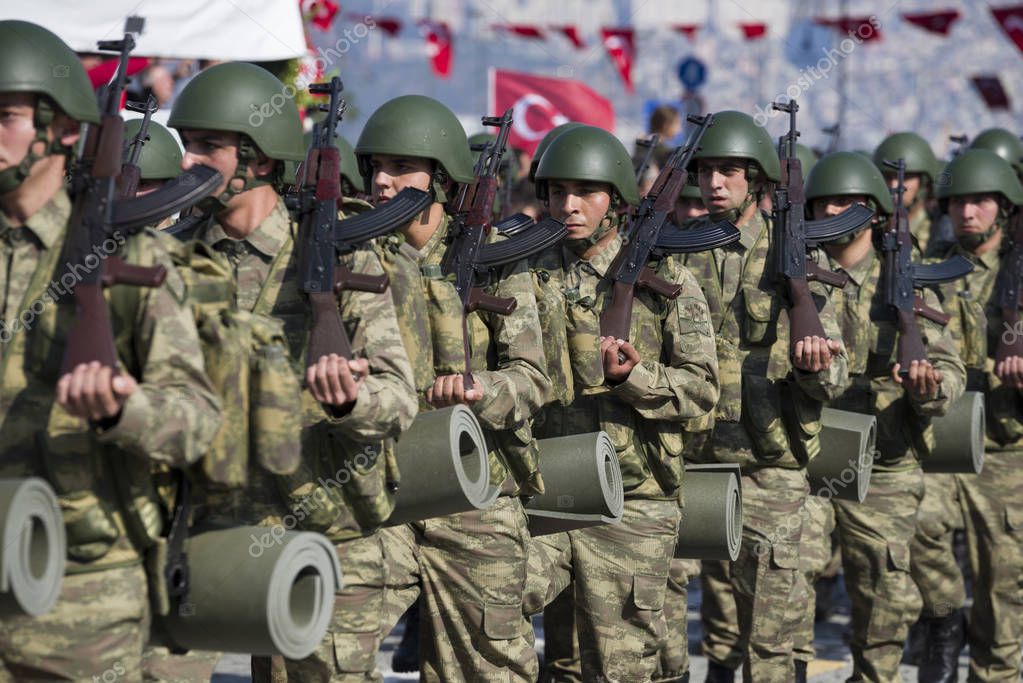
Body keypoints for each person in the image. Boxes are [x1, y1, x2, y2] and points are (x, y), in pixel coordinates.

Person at [166, 62, 418, 683]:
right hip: (204, 527)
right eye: (187, 143)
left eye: (208, 146)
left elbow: (398, 398)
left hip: (323, 529)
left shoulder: (336, 249)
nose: (189, 161)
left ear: (260, 159)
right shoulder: (171, 256)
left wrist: (346, 401)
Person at [0, 20, 221, 679]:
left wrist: (123, 409)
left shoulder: (135, 256)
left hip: (81, 593)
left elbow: (196, 417)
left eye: (4, 114)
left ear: (65, 130)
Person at [357, 94, 552, 681]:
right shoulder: (356, 253)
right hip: (377, 486)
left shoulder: (494, 259)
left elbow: (532, 380)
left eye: (400, 168)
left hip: (474, 491)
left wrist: (477, 388)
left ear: (439, 178)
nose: (383, 183)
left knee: (488, 666)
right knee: (322, 643)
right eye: (376, 168)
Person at [526, 124, 719, 681]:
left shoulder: (668, 282)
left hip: (632, 503)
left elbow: (702, 390)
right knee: (539, 647)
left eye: (586, 192)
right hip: (548, 492)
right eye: (558, 191)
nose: (569, 205)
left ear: (616, 199)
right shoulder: (528, 273)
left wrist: (635, 378)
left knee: (620, 666)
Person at [680, 110, 849, 683]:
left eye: (728, 170)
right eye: (705, 171)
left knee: (774, 636)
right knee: (702, 626)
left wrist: (812, 363)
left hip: (770, 467)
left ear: (758, 180)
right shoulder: (682, 253)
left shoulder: (797, 256)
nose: (714, 183)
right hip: (693, 462)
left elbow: (836, 376)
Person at [800, 151, 966, 682]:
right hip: (808, 459)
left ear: (873, 212)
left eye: (847, 203)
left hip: (886, 463)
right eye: (824, 203)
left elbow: (949, 367)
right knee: (787, 582)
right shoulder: (797, 282)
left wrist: (930, 387)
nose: (833, 212)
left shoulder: (909, 284)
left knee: (883, 603)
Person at [911, 149, 1023, 683]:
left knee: (1003, 578)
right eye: (957, 202)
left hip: (1007, 445)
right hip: (945, 435)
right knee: (917, 523)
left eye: (979, 201)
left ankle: (995, 673)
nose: (967, 212)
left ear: (1003, 209)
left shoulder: (1018, 271)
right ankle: (942, 617)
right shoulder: (933, 271)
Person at [872, 132, 942, 256]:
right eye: (887, 177)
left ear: (923, 182)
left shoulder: (938, 226)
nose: (894, 185)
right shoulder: (871, 225)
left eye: (905, 177)